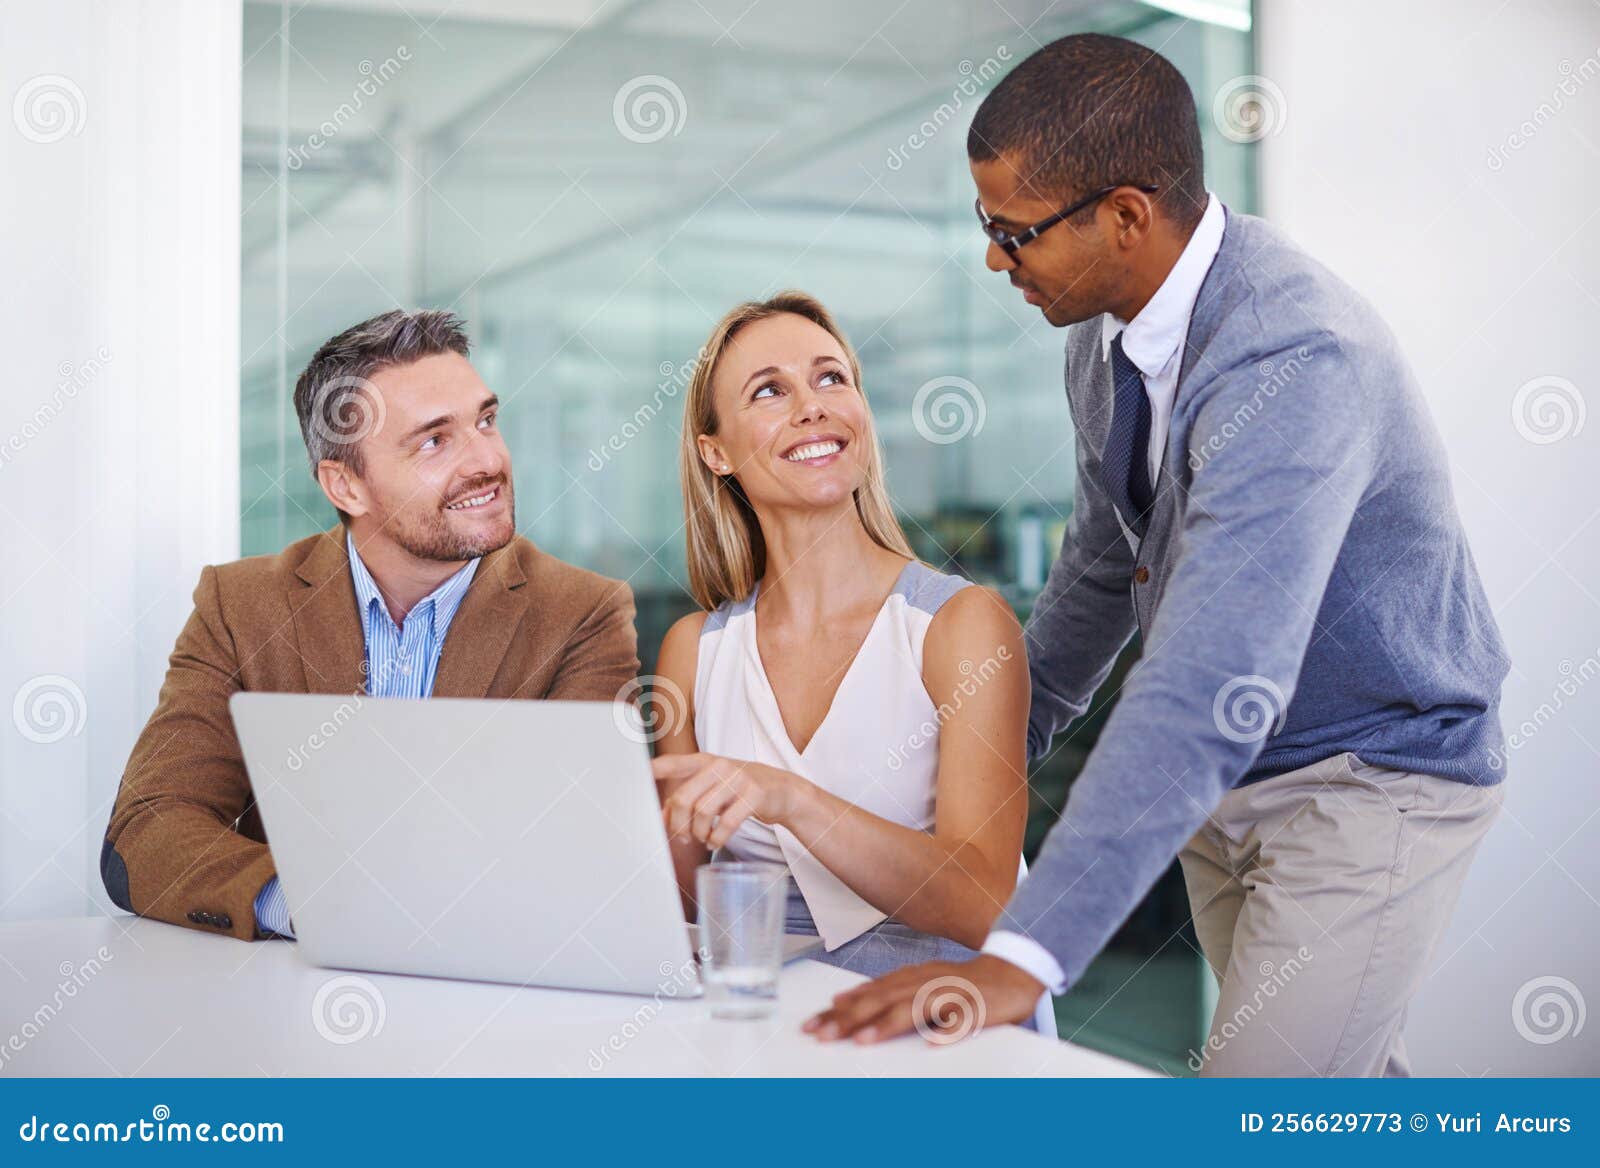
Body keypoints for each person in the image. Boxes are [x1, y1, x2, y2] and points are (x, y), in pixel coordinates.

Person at [807, 34, 1508, 1074]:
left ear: (1127, 217)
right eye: (987, 227)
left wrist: (1025, 957)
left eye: (1014, 232)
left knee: (1257, 1110)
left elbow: (1212, 675)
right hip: (1225, 782)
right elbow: (1101, 571)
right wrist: (973, 758)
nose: (995, 260)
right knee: (1338, 1098)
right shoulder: (1101, 339)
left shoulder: (1295, 357)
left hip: (1367, 773)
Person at [100, 309, 639, 940]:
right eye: (434, 441)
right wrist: (312, 907)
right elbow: (147, 830)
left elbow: (579, 848)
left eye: (485, 421)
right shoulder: (241, 606)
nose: (487, 460)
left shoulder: (582, 614)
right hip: (291, 986)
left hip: (486, 983)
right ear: (345, 486)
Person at [650, 292, 1049, 1032]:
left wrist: (792, 800)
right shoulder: (695, 652)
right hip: (763, 1025)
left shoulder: (958, 626)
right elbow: (679, 913)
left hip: (937, 1025)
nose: (813, 407)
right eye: (769, 391)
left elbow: (984, 903)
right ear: (717, 453)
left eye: (831, 378)